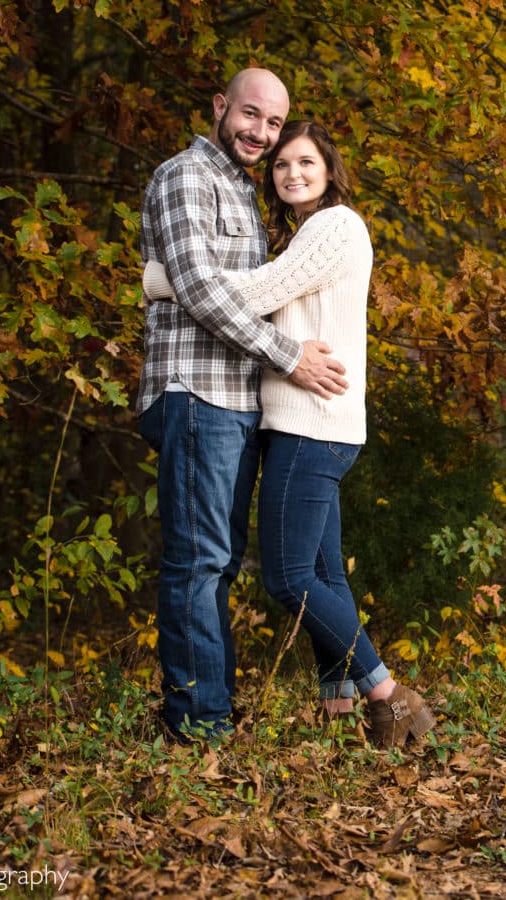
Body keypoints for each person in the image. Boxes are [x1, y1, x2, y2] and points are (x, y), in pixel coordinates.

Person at [144, 120, 437, 750]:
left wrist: (165, 281)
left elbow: (257, 292)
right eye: (280, 166)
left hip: (311, 426)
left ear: (329, 168)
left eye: (306, 162)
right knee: (326, 575)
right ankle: (338, 709)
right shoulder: (303, 236)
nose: (292, 173)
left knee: (288, 577)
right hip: (307, 426)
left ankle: (388, 694)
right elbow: (267, 292)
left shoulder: (336, 226)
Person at [137, 69, 349, 742]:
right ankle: (199, 722)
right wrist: (288, 356)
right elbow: (202, 287)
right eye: (250, 116)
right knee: (198, 561)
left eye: (274, 123)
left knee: (219, 561)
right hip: (196, 392)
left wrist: (160, 283)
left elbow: (241, 288)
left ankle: (213, 708)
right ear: (220, 108)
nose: (260, 132)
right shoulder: (185, 178)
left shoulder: (243, 192)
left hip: (237, 402)